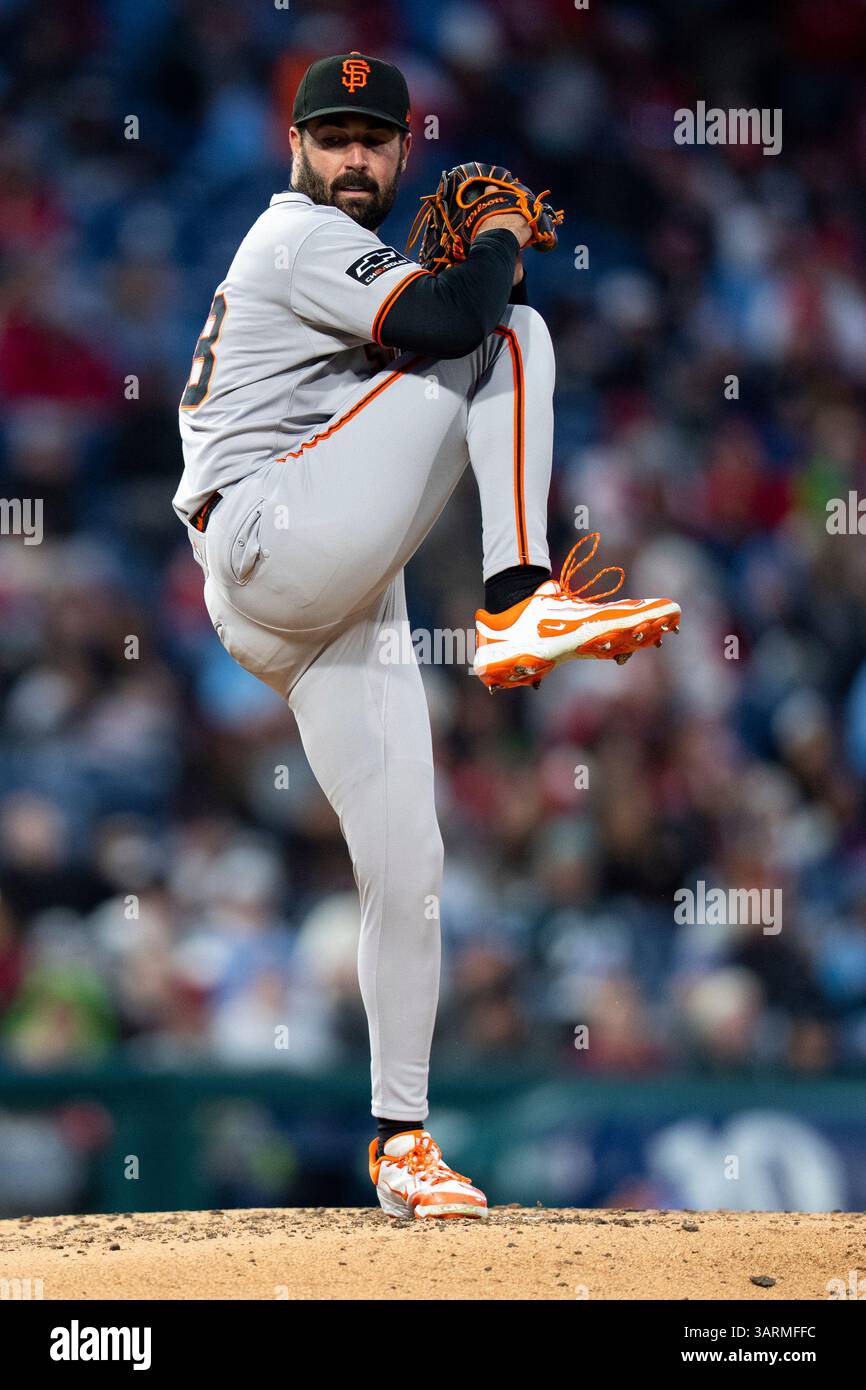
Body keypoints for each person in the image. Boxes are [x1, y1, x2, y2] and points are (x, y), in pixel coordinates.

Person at [174, 51, 680, 1220]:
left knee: (411, 869)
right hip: (272, 528)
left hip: (328, 585)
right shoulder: (296, 236)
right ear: (294, 147)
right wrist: (498, 231)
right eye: (332, 133)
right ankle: (514, 595)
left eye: (374, 137)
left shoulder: (358, 258)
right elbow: (462, 313)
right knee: (508, 340)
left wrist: (476, 263)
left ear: (405, 152)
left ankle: (401, 1143)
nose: (353, 155)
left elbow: (421, 332)